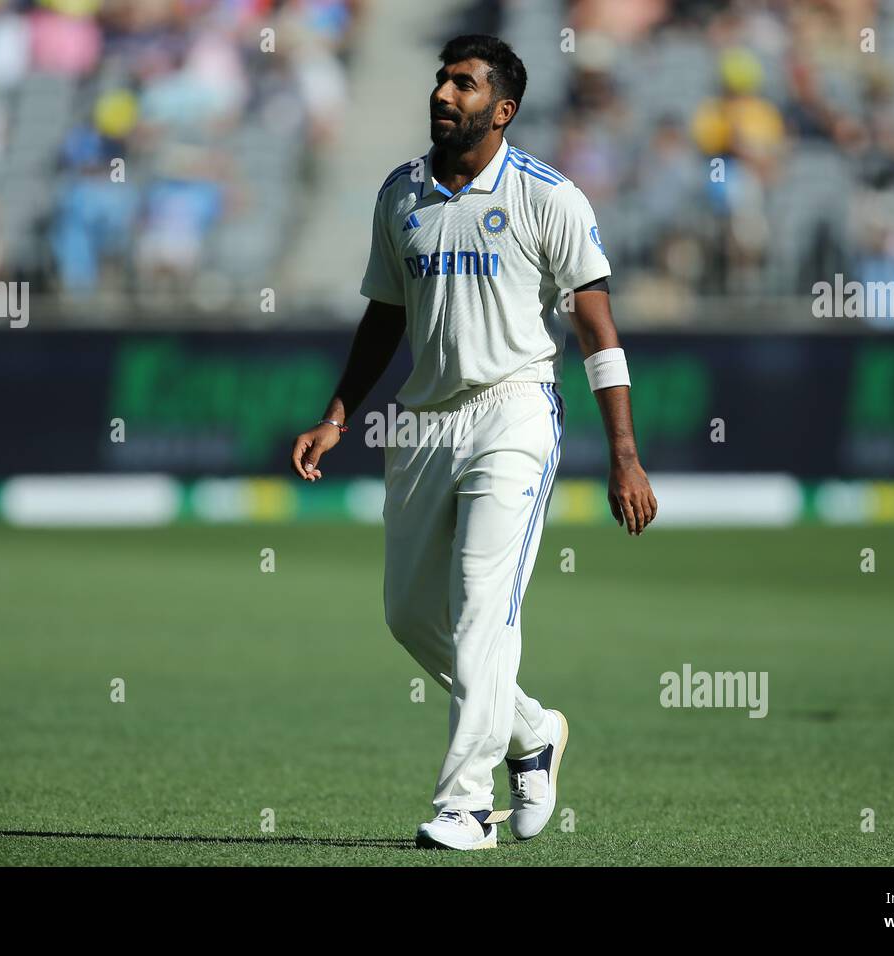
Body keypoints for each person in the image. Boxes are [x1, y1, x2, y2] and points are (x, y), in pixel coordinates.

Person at [289, 34, 657, 851]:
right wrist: (340, 412)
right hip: (423, 422)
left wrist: (625, 455)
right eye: (441, 79)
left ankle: (462, 806)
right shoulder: (400, 195)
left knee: (482, 611)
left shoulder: (548, 196)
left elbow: (599, 333)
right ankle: (532, 730)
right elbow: (385, 314)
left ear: (503, 110)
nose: (443, 93)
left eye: (464, 83)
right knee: (409, 614)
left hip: (514, 410)